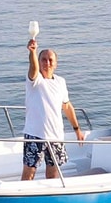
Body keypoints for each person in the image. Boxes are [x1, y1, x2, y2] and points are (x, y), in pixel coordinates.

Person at [21, 38, 85, 180]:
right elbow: (33, 68)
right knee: (29, 172)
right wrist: (32, 52)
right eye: (43, 59)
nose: (47, 63)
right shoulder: (35, 80)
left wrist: (77, 130)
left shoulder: (60, 82)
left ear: (56, 64)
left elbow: (67, 106)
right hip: (35, 135)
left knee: (53, 171)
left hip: (56, 135)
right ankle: (24, 197)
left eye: (50, 60)